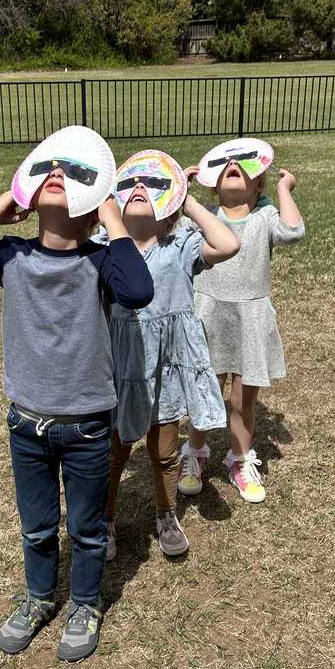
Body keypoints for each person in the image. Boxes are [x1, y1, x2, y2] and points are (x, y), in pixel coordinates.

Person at [0, 127, 153, 664]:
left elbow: (138, 290)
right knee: (38, 526)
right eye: (49, 170)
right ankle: (40, 598)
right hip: (27, 423)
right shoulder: (10, 257)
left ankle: (85, 604)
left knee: (87, 530)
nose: (58, 176)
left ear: (93, 204)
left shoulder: (102, 262)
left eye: (75, 174)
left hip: (88, 424)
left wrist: (113, 224)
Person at [99, 150, 239, 558]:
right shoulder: (104, 246)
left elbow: (228, 242)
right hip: (119, 364)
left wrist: (187, 199)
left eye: (154, 185)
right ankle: (103, 519)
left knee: (163, 452)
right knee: (115, 451)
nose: (140, 189)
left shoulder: (180, 247)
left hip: (166, 368)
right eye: (130, 185)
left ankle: (166, 514)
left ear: (168, 207)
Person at [178, 138, 305, 504]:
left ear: (258, 184)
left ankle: (239, 460)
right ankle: (195, 455)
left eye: (244, 167)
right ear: (214, 183)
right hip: (208, 315)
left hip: (250, 316)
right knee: (205, 393)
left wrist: (283, 189)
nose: (233, 164)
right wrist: (181, 193)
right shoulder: (203, 215)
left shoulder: (265, 216)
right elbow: (167, 226)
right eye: (226, 166)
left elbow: (293, 231)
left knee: (241, 400)